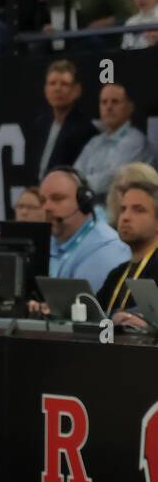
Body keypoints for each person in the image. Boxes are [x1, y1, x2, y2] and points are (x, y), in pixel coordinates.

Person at [40, 167, 130, 291]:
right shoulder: (48, 242)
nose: (46, 207)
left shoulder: (107, 251)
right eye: (42, 200)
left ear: (84, 201)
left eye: (57, 198)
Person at [74, 83, 155, 197]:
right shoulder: (94, 142)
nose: (109, 107)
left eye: (115, 101)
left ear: (130, 107)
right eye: (104, 102)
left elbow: (112, 181)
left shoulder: (135, 141)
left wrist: (77, 185)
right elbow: (73, 175)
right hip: (88, 206)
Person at [99, 182, 158, 327]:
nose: (125, 217)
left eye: (139, 210)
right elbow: (94, 316)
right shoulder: (116, 274)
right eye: (123, 209)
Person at [27, 60, 97, 181]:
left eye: (64, 84)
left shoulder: (85, 129)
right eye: (52, 83)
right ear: (45, 89)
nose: (57, 89)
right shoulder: (40, 124)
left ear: (77, 90)